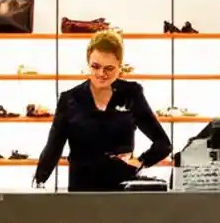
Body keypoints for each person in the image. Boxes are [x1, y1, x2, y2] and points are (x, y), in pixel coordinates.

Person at [33, 30, 171, 191]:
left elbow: (163, 144)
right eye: (95, 66)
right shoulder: (70, 99)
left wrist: (141, 161)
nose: (101, 74)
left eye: (109, 68)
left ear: (120, 66)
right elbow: (53, 148)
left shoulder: (131, 94)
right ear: (88, 63)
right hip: (81, 192)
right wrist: (39, 183)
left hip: (122, 191)